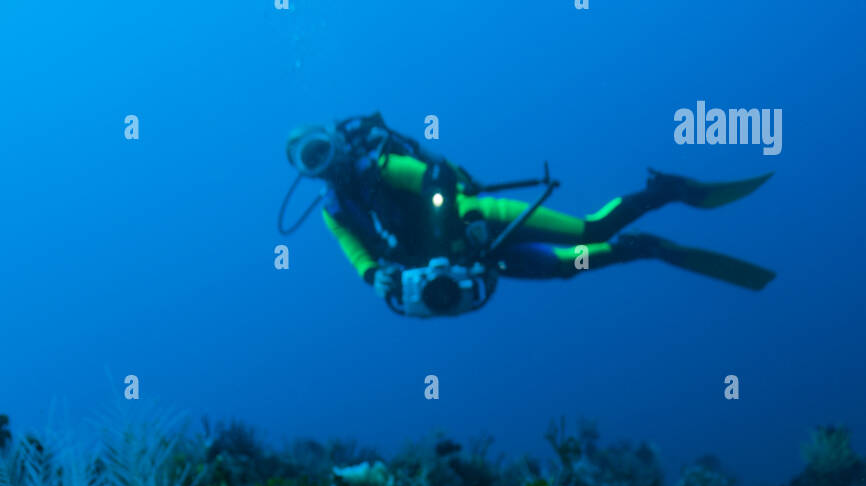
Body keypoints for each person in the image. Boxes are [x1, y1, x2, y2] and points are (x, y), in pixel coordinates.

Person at [284, 115, 775, 315]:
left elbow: (436, 182)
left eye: (323, 149)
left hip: (483, 221)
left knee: (589, 228)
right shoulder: (333, 210)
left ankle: (665, 191)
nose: (324, 162)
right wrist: (377, 278)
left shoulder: (385, 165)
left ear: (340, 141)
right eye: (310, 160)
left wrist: (439, 253)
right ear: (305, 172)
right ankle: (640, 248)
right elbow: (355, 252)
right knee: (567, 265)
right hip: (473, 259)